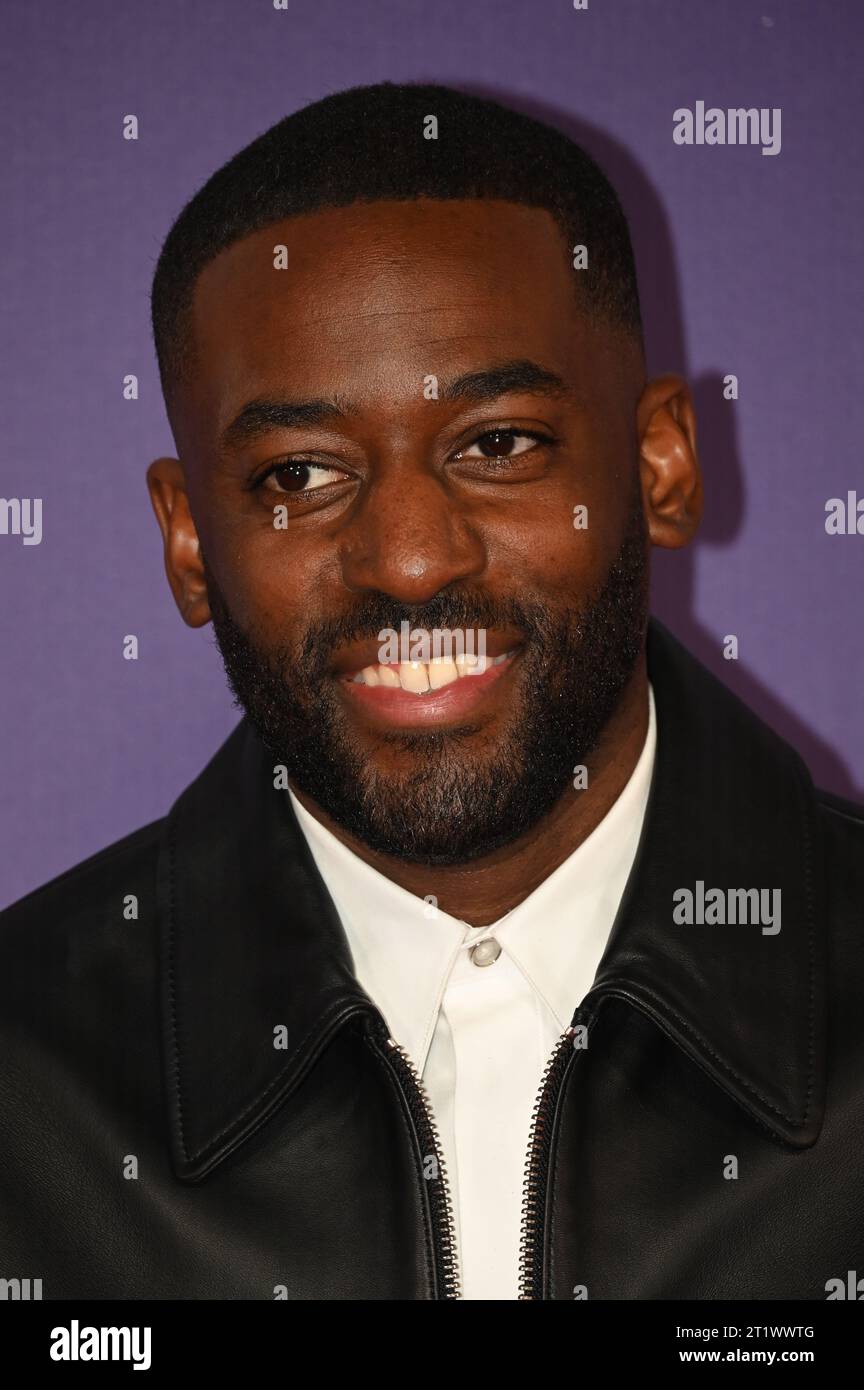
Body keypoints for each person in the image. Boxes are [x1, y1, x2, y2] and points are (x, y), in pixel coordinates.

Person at [1, 81, 861, 1302]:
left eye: (498, 444)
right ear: (189, 542)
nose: (410, 560)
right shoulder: (27, 1086)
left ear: (662, 463)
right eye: (299, 474)